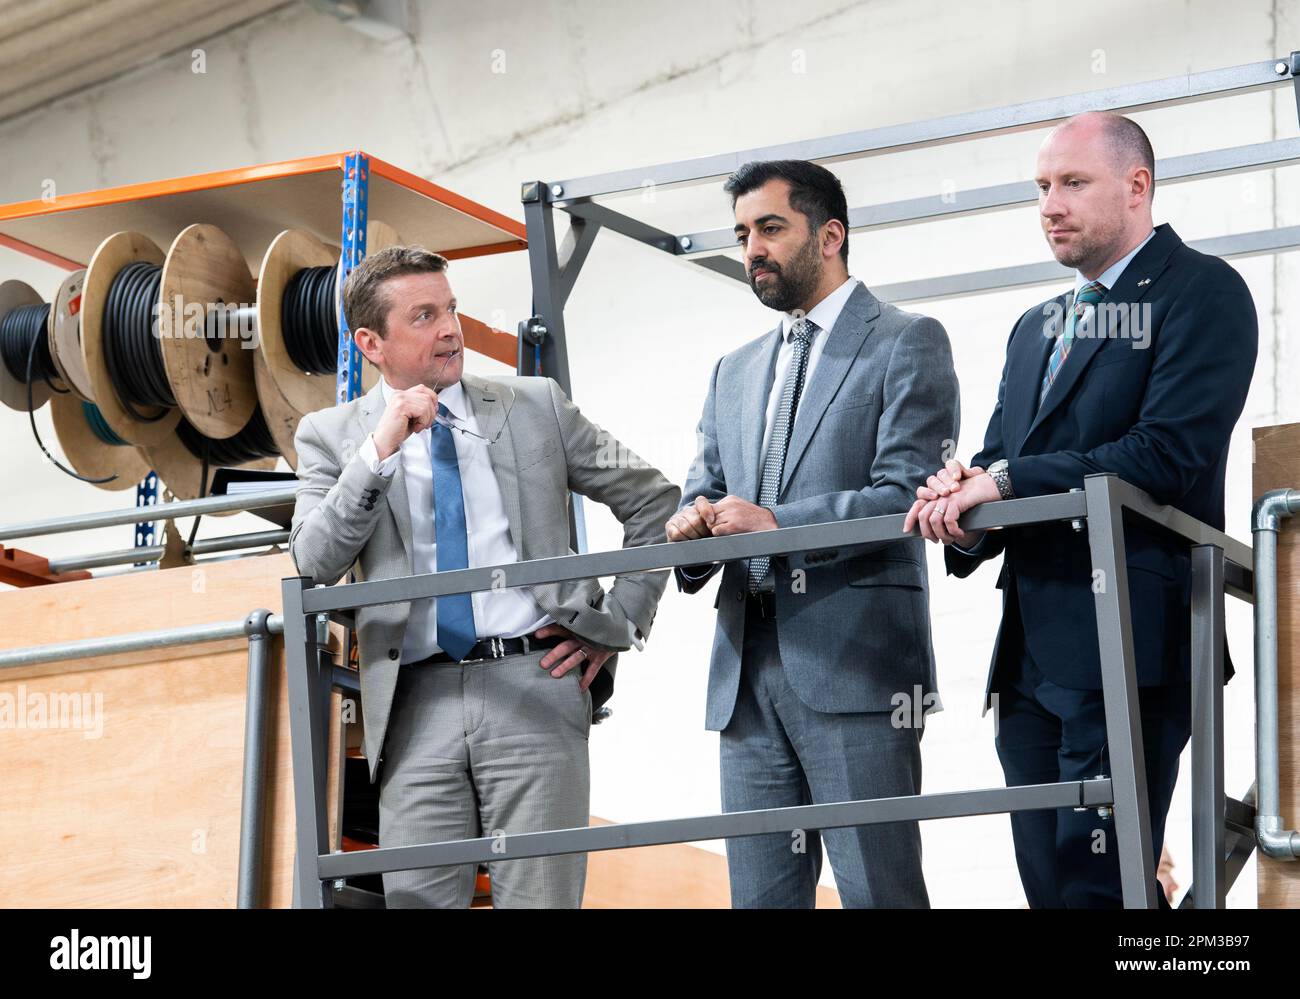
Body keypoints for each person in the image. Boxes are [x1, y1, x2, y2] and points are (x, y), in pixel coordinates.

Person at [904, 111, 1258, 907]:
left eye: (1071, 183)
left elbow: (1165, 453)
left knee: (1100, 886)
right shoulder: (1034, 329)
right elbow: (1003, 460)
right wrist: (961, 496)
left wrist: (1005, 480)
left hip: (1133, 637)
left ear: (1138, 186)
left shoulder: (1203, 290)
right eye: (1040, 188)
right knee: (1053, 887)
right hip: (1031, 651)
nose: (1049, 205)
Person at [289, 245, 680, 908]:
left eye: (451, 309)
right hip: (412, 702)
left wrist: (616, 624)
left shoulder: (536, 407)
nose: (450, 328)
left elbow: (656, 502)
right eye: (424, 315)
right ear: (370, 342)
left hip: (537, 682)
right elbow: (313, 559)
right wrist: (379, 451)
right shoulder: (331, 437)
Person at [667, 160, 960, 908]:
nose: (751, 250)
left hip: (857, 665)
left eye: (770, 228)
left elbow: (905, 494)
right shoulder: (732, 370)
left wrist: (776, 526)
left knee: (879, 891)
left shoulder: (906, 340)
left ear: (830, 235)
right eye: (741, 235)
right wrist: (691, 528)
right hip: (744, 672)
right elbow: (706, 489)